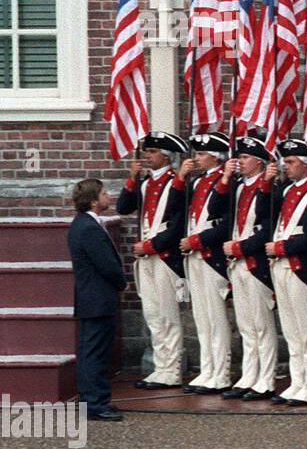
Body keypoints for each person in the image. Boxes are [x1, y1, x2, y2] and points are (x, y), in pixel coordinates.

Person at [116, 130, 188, 389]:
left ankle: (172, 369)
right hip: (146, 257)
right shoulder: (146, 183)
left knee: (168, 316)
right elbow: (123, 207)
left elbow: (176, 225)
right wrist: (132, 178)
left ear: (167, 156)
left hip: (164, 257)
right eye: (147, 151)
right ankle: (161, 367)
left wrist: (151, 245)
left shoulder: (177, 182)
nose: (148, 156)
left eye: (153, 152)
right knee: (153, 315)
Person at [266, 138, 307, 407]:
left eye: (290, 162)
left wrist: (281, 247)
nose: (284, 166)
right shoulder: (288, 191)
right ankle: (297, 380)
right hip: (281, 265)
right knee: (291, 330)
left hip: (300, 267)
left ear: (306, 164)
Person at [221, 135, 278, 401]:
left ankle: (265, 379)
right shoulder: (239, 187)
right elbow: (216, 209)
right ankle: (249, 374)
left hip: (254, 263)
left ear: (258, 161)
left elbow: (268, 228)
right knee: (246, 325)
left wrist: (243, 247)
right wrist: (225, 179)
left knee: (261, 325)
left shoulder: (268, 188)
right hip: (237, 263)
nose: (239, 162)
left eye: (244, 158)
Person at [177, 132, 233, 394]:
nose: (196, 158)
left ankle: (220, 372)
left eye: (201, 154)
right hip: (194, 257)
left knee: (215, 317)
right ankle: (207, 368)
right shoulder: (198, 182)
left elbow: (224, 225)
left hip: (211, 257)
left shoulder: (226, 182)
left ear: (216, 157)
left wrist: (197, 241)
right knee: (201, 317)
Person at [68, 179, 127, 421]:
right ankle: (94, 402)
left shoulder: (84, 224)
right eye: (103, 193)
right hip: (97, 297)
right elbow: (106, 264)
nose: (108, 196)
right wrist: (121, 282)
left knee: (93, 350)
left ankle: (94, 397)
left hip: (93, 297)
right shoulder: (89, 228)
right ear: (93, 200)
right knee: (94, 351)